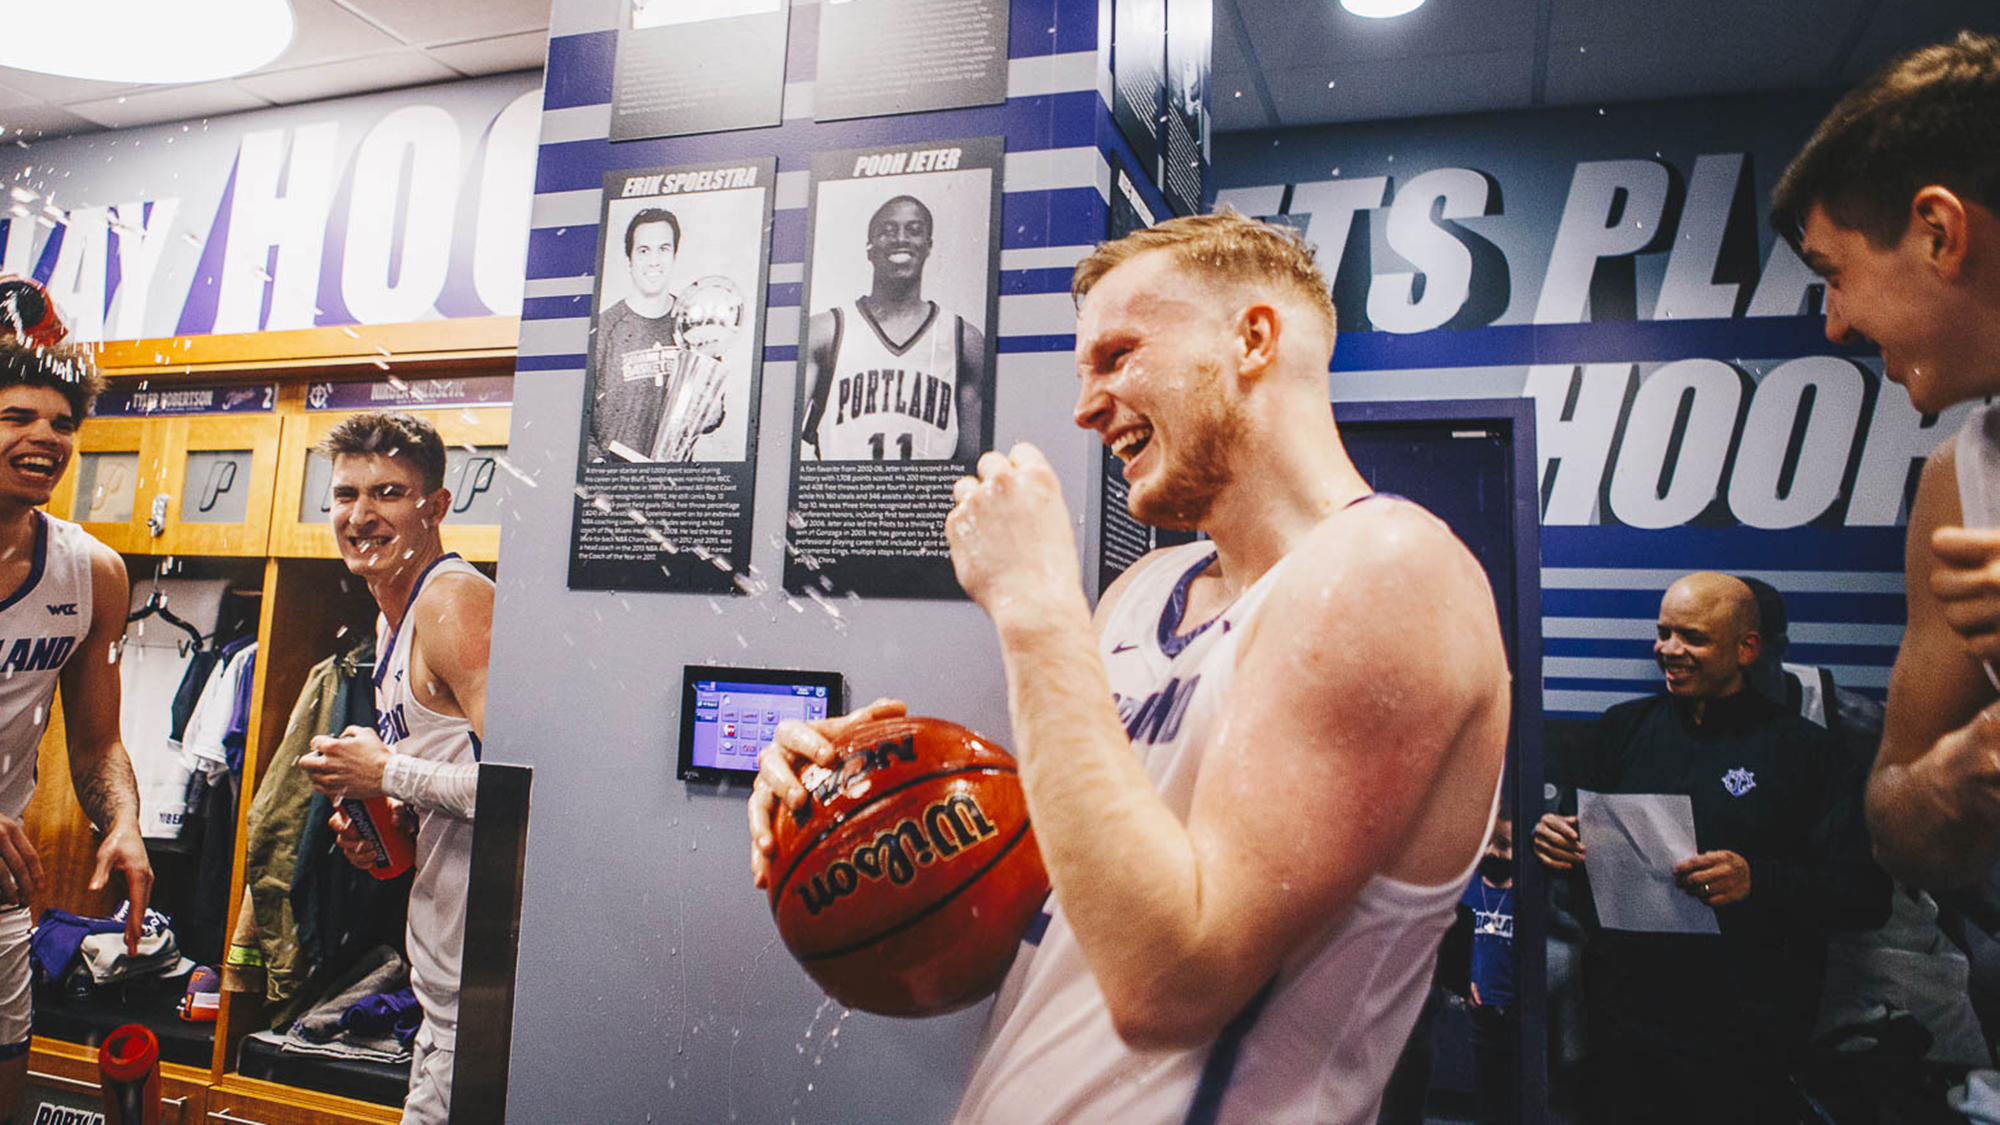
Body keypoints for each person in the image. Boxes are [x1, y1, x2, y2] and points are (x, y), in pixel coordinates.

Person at [752, 209, 1512, 1123]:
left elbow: (1170, 982)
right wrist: (869, 798)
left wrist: (1035, 607)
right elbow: (1087, 898)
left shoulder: (1392, 570)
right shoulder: (1143, 594)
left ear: (1253, 339)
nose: (1086, 405)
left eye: (1117, 356)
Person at [1768, 30, 2000, 891]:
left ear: (1940, 232)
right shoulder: (1962, 485)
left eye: (1833, 275)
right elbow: (1900, 827)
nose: (1833, 324)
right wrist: (1965, 769)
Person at [1532, 572, 1889, 1124]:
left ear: (1747, 649)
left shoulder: (1806, 752)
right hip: (1627, 1032)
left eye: (1692, 637)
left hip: (1746, 1043)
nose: (1668, 650)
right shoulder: (1622, 730)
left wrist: (1759, 881)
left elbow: (1865, 897)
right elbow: (1579, 855)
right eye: (1663, 633)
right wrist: (1552, 840)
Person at [298, 412, 491, 1125]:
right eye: (346, 494)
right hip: (441, 974)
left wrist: (386, 774)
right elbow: (454, 783)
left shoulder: (454, 602)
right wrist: (390, 828)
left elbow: (527, 787)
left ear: (435, 507)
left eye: (388, 492)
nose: (361, 514)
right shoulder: (391, 617)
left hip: (486, 984)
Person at [0, 336, 153, 1120]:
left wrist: (123, 819)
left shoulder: (90, 572)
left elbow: (95, 742)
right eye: (18, 416)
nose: (45, 438)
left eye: (62, 423)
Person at [799, 194, 986, 462]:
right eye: (887, 231)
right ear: (869, 248)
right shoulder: (826, 331)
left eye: (914, 230)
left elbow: (971, 461)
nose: (901, 238)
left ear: (928, 245)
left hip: (926, 502)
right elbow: (781, 445)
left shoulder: (963, 339)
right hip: (842, 499)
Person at [588, 207, 722, 463]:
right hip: (615, 489)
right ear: (630, 261)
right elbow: (579, 422)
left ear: (674, 255)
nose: (654, 261)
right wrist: (600, 471)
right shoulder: (604, 328)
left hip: (672, 491)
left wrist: (710, 409)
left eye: (663, 249)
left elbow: (711, 418)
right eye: (643, 250)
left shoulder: (693, 326)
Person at [1460, 812, 1518, 1125]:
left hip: (1519, 1012)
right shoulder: (1467, 889)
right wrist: (1461, 980)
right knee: (1488, 1097)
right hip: (1481, 1011)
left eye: (1504, 844)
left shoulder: (1525, 895)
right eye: (1488, 842)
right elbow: (1452, 942)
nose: (1493, 852)